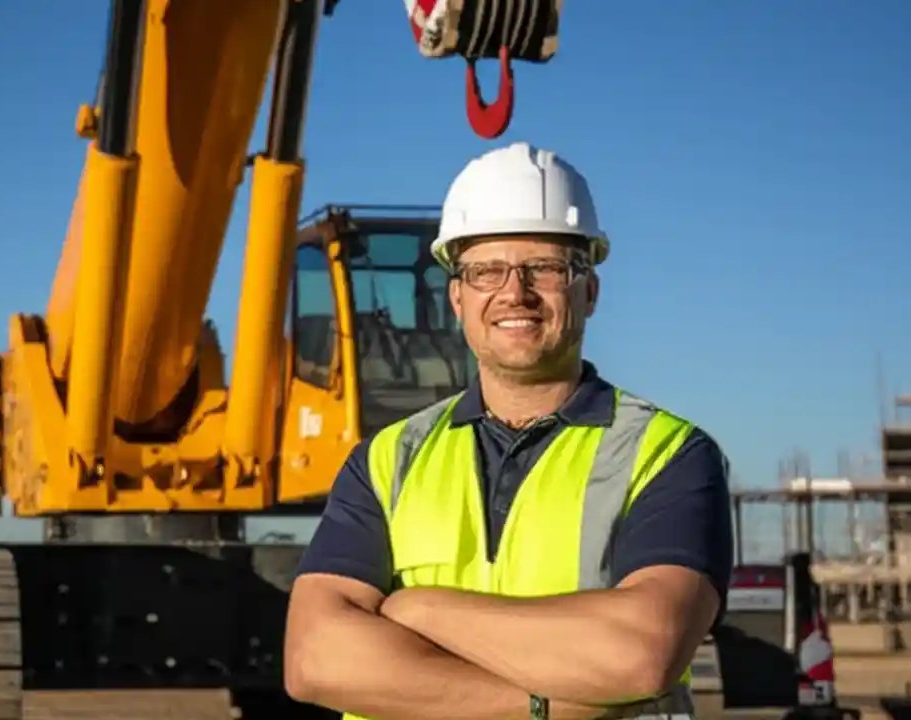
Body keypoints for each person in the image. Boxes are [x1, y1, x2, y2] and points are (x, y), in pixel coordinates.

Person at [282, 141, 734, 720]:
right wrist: (541, 709)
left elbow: (640, 654)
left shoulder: (667, 454)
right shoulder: (387, 460)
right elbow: (314, 659)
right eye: (486, 271)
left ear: (589, 292)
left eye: (544, 268)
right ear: (457, 297)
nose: (513, 292)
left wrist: (419, 610)